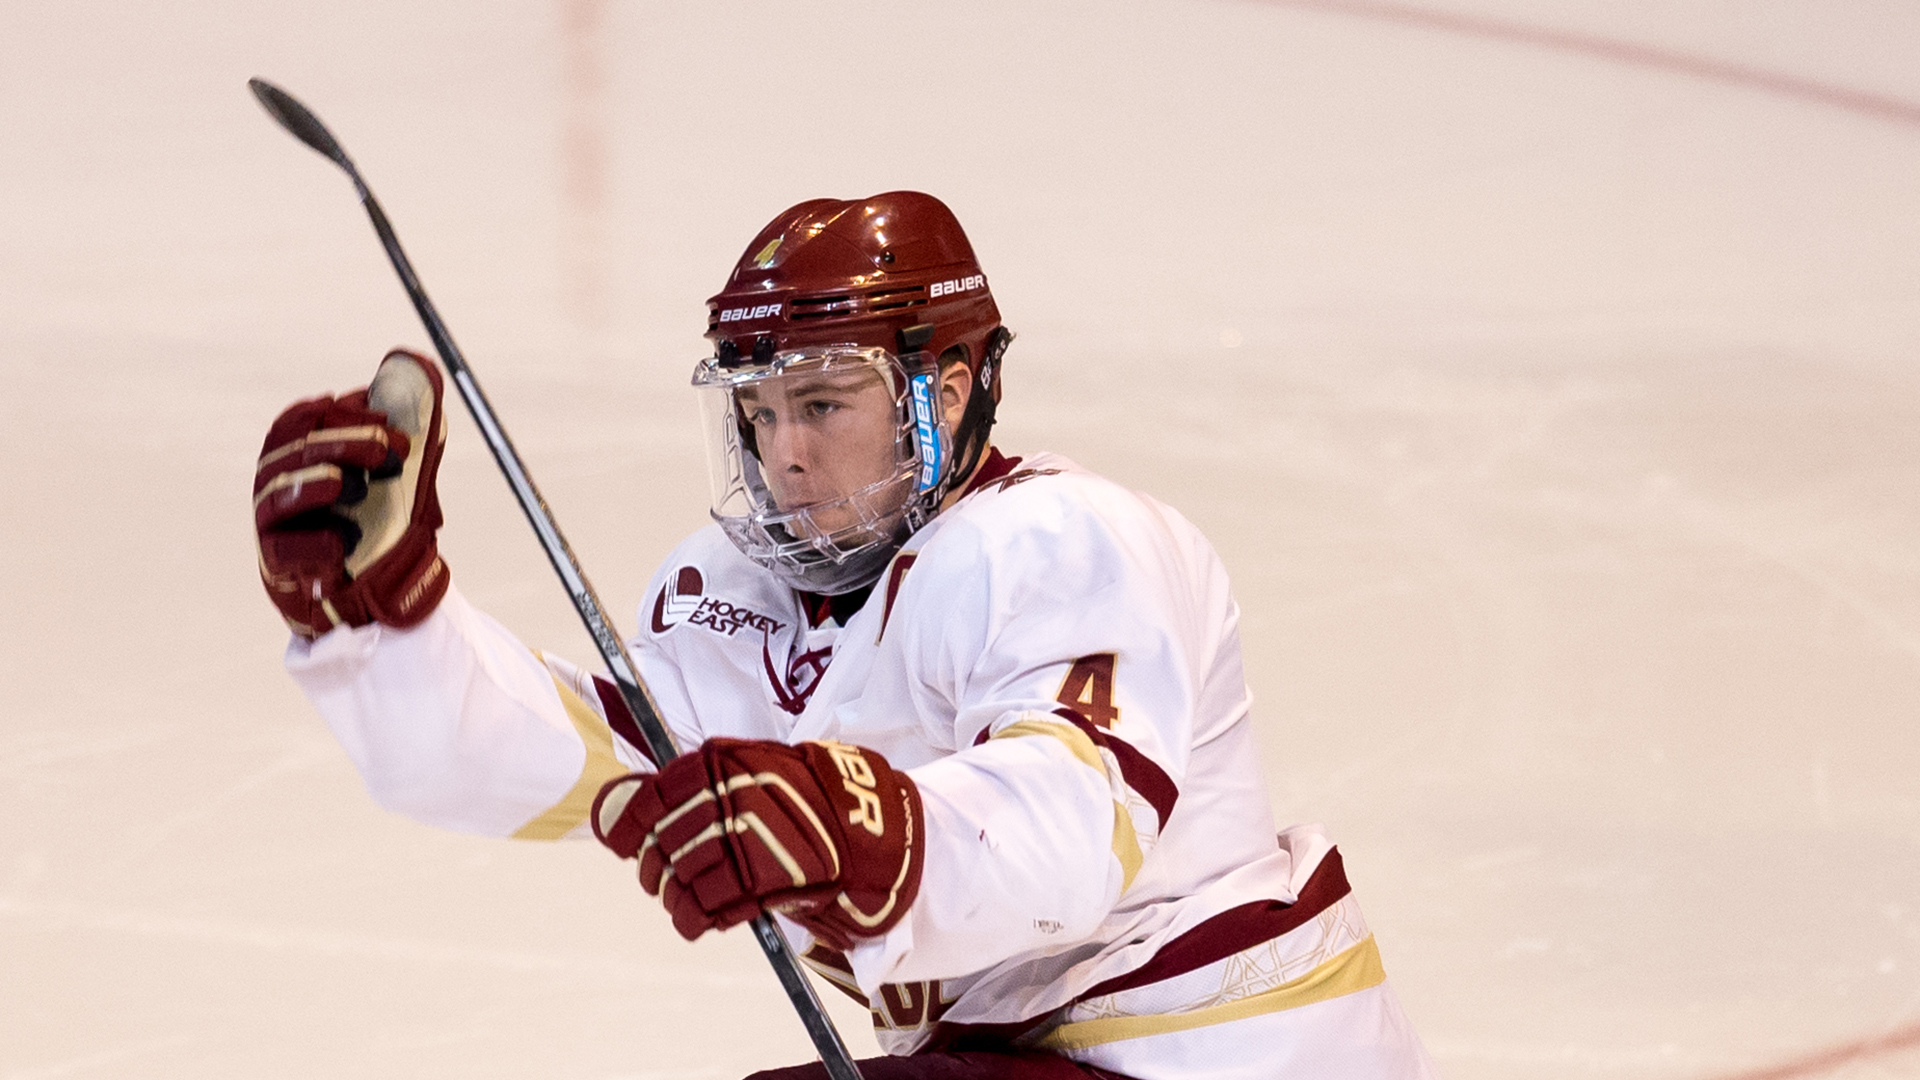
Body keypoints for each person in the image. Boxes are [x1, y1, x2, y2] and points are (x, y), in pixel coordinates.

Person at [254, 192, 1437, 1079]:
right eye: (760, 411)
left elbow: (1071, 835)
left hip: (1213, 1052)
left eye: (822, 403)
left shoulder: (1066, 542)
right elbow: (576, 762)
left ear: (948, 392)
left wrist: (851, 828)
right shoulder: (734, 594)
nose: (785, 454)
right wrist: (379, 620)